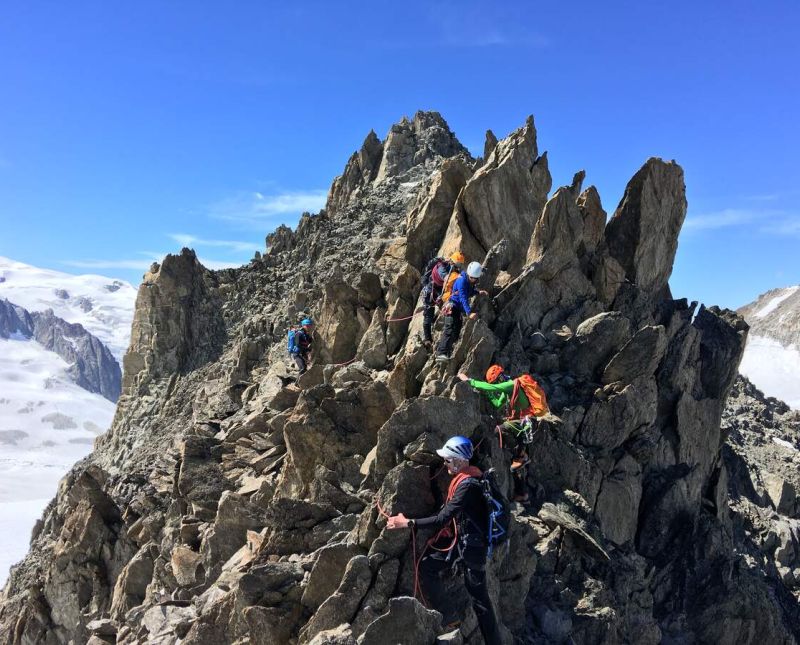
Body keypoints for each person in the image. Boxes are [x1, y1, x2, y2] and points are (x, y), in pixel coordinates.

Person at [386, 436, 502, 645]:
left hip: (471, 548)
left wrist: (407, 522)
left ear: (459, 461)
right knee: (430, 566)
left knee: (480, 600)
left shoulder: (467, 486)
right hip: (468, 542)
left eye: (448, 460)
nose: (445, 463)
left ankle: (458, 622)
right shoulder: (474, 476)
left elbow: (443, 518)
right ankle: (451, 617)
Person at [458, 365, 549, 502]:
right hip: (525, 426)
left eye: (496, 381)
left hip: (525, 424)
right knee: (515, 466)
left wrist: (469, 380)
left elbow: (492, 388)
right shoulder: (509, 390)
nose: (496, 384)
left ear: (500, 377)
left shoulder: (512, 385)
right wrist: (486, 392)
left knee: (499, 429)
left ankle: (521, 455)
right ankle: (523, 494)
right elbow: (497, 403)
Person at [435, 261, 487, 361]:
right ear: (472, 277)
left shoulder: (467, 281)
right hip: (452, 307)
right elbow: (463, 297)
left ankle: (447, 351)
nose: (477, 280)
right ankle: (440, 353)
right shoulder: (462, 281)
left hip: (457, 309)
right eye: (477, 279)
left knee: (456, 330)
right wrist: (469, 313)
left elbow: (469, 292)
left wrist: (478, 292)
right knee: (449, 328)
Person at [420, 252, 465, 349]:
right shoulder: (442, 267)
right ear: (452, 262)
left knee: (446, 312)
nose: (459, 267)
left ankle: (446, 331)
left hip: (439, 294)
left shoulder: (453, 270)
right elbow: (445, 277)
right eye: (458, 264)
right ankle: (427, 339)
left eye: (460, 265)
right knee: (428, 316)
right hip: (430, 293)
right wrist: (458, 277)